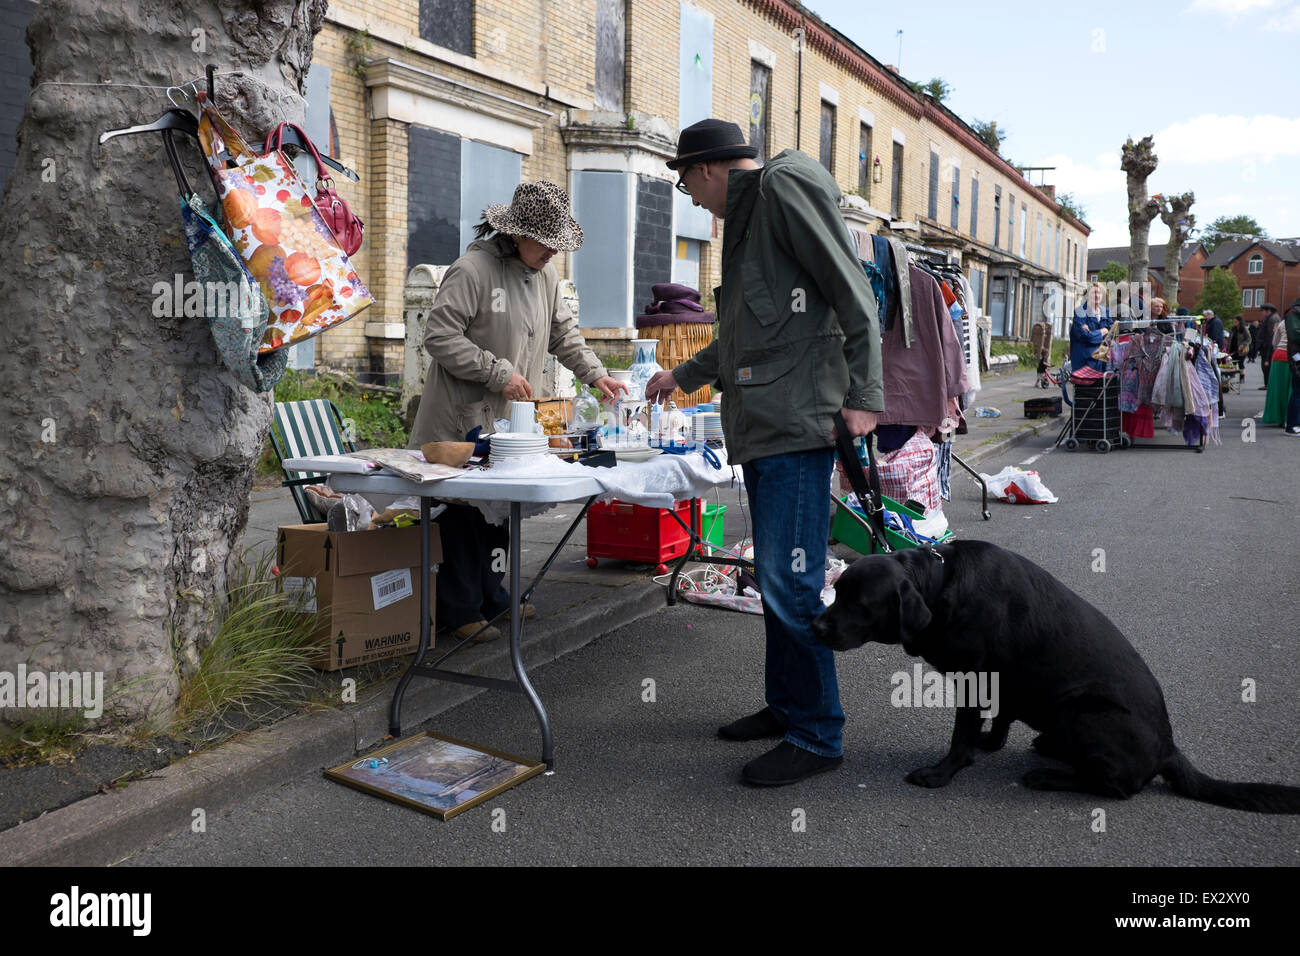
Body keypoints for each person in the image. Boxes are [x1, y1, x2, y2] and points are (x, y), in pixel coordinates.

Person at [646, 118, 883, 787]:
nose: (694, 200)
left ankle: (818, 735)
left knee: (792, 581)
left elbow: (852, 289)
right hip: (767, 426)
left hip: (797, 426)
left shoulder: (779, 190)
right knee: (776, 580)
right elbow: (749, 334)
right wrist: (682, 376)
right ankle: (788, 708)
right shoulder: (751, 219)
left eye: (689, 184)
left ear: (709, 169)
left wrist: (865, 393)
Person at [409, 182, 628, 641]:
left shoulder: (545, 276)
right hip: (460, 416)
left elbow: (563, 334)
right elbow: (438, 337)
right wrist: (496, 372)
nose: (553, 252)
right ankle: (459, 609)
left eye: (558, 243)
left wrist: (596, 374)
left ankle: (493, 596)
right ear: (517, 233)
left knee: (499, 511)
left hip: (510, 420)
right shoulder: (471, 270)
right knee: (462, 513)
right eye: (546, 242)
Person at [1069, 282, 1112, 372]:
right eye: (1094, 293)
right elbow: (1085, 336)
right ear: (1087, 295)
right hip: (1085, 362)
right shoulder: (1080, 312)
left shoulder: (1106, 312)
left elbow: (1112, 333)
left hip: (1102, 361)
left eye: (1099, 293)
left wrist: (1093, 333)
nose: (1097, 295)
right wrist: (1102, 332)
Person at [1285, 297, 1300, 435]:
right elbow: (1294, 334)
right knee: (1298, 392)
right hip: (1297, 357)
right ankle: (1292, 425)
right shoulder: (1293, 312)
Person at [1259, 303, 1282, 389]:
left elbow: (1271, 337)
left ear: (1268, 311)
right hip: (1268, 347)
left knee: (1266, 366)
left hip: (1268, 348)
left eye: (1262, 311)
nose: (1261, 313)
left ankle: (1268, 384)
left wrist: (1268, 353)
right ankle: (1267, 384)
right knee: (1266, 367)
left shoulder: (1272, 319)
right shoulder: (1273, 318)